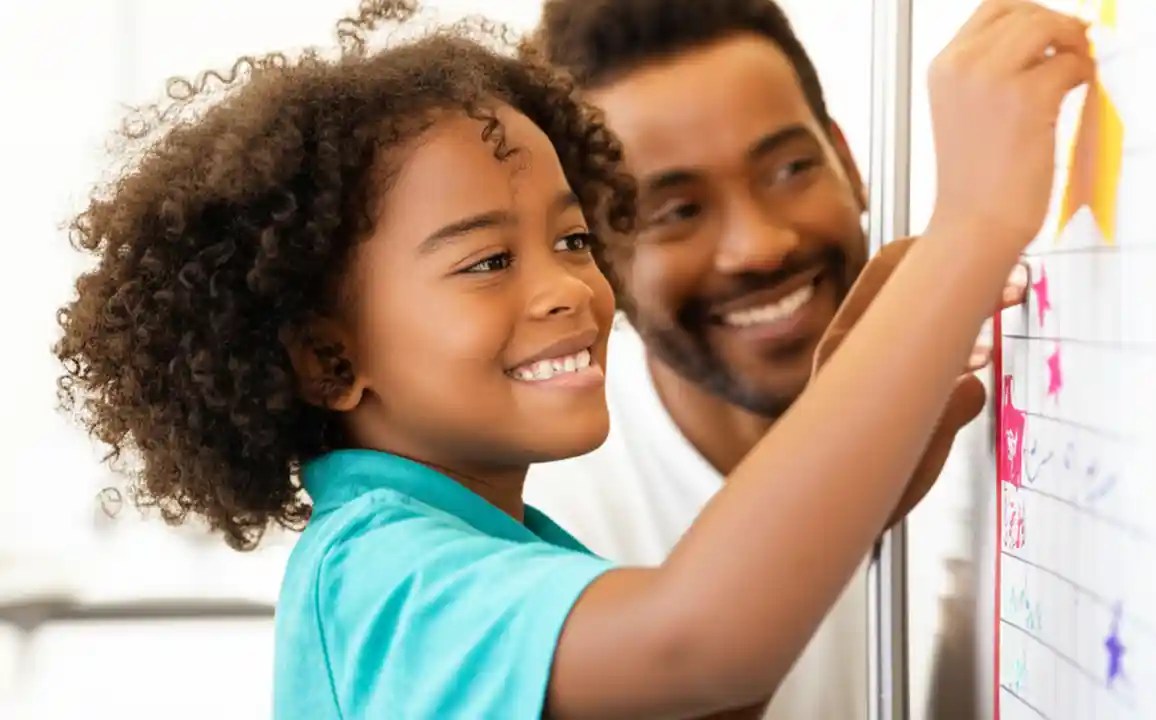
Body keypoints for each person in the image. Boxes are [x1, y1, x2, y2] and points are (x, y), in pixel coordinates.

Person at [55, 0, 1092, 717]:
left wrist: (856, 450)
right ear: (330, 358)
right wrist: (972, 224)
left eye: (570, 240)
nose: (565, 288)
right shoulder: (385, 576)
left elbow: (706, 702)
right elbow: (703, 643)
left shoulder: (500, 543)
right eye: (488, 261)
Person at [525, 1, 1030, 715]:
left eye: (789, 168)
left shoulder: (974, 429)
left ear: (848, 164)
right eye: (677, 211)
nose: (759, 245)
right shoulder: (544, 519)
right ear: (598, 256)